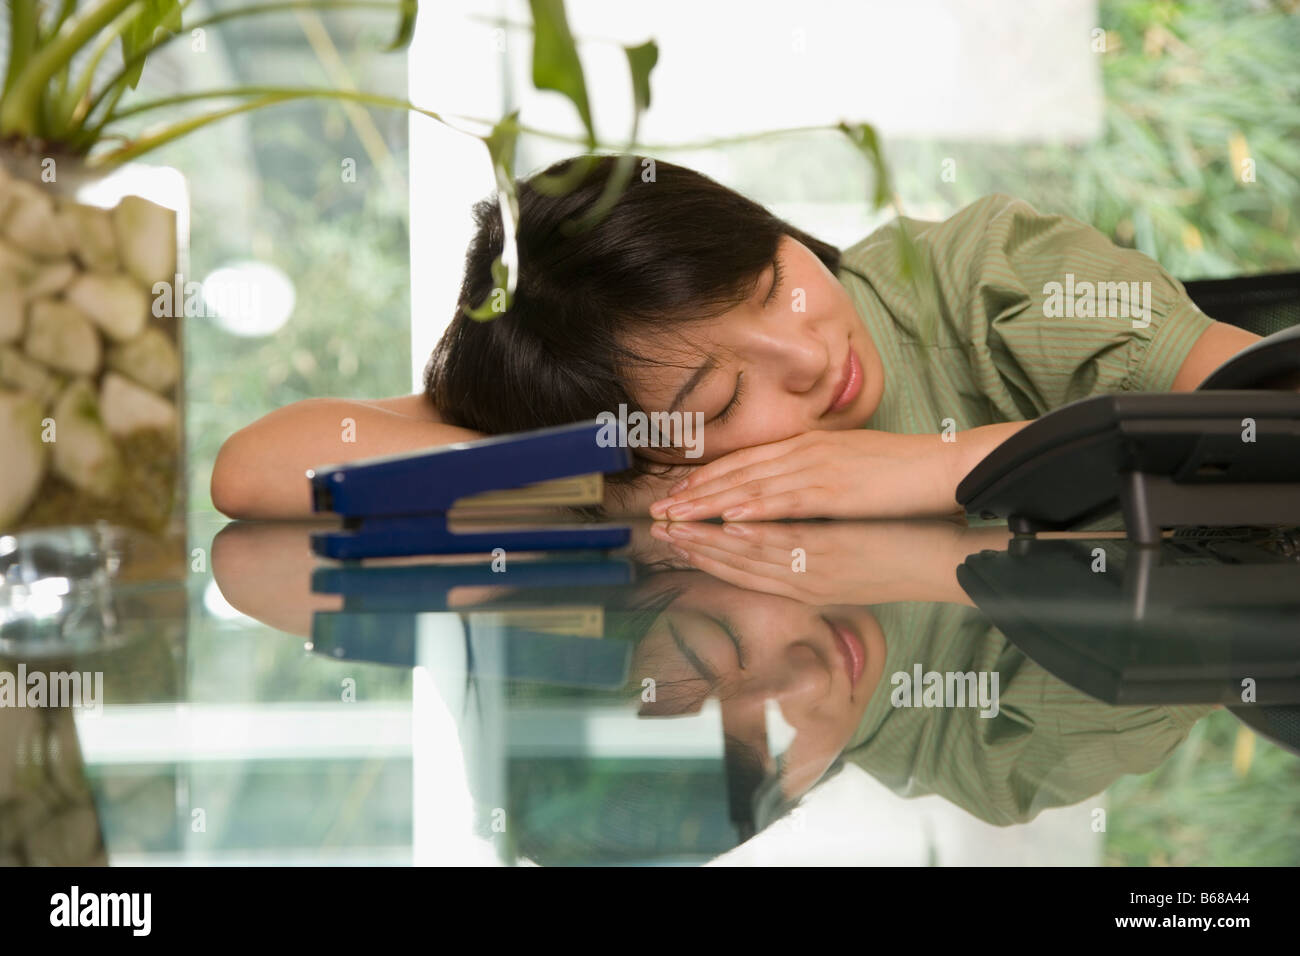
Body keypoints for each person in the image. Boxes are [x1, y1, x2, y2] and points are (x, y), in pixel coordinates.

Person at [210, 154, 1260, 520]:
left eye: (772, 281)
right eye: (716, 403)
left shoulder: (988, 270)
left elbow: (1263, 418)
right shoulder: (646, 452)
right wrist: (619, 476)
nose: (807, 356)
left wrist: (930, 468)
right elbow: (257, 469)